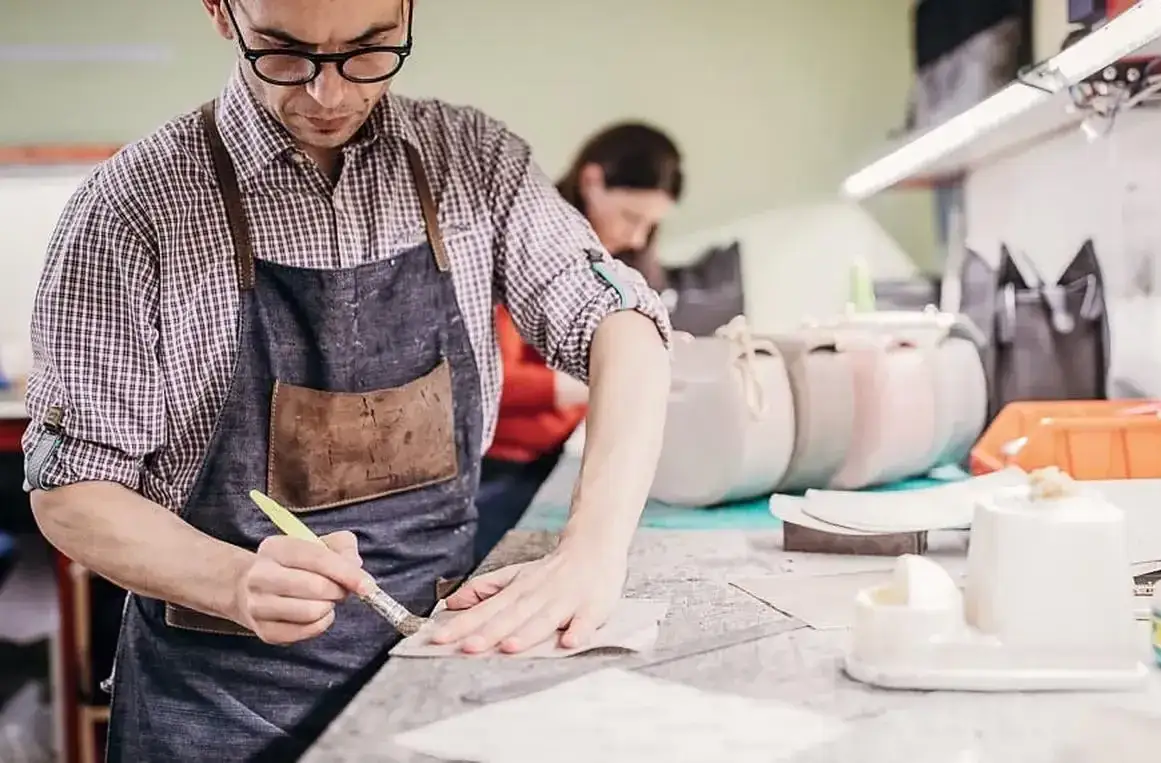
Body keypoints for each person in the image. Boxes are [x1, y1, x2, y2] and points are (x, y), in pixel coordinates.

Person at [21, 2, 671, 761]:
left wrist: (592, 550)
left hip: (435, 666)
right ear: (221, 11)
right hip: (217, 708)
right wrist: (232, 579)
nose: (328, 95)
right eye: (284, 52)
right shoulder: (132, 209)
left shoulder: (473, 162)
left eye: (367, 51)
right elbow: (70, 492)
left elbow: (623, 322)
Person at [475, 123, 683, 563]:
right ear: (591, 181)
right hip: (499, 473)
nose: (638, 238)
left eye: (650, 224)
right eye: (631, 217)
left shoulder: (617, 266)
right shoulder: (524, 253)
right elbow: (497, 381)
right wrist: (610, 380)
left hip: (550, 455)